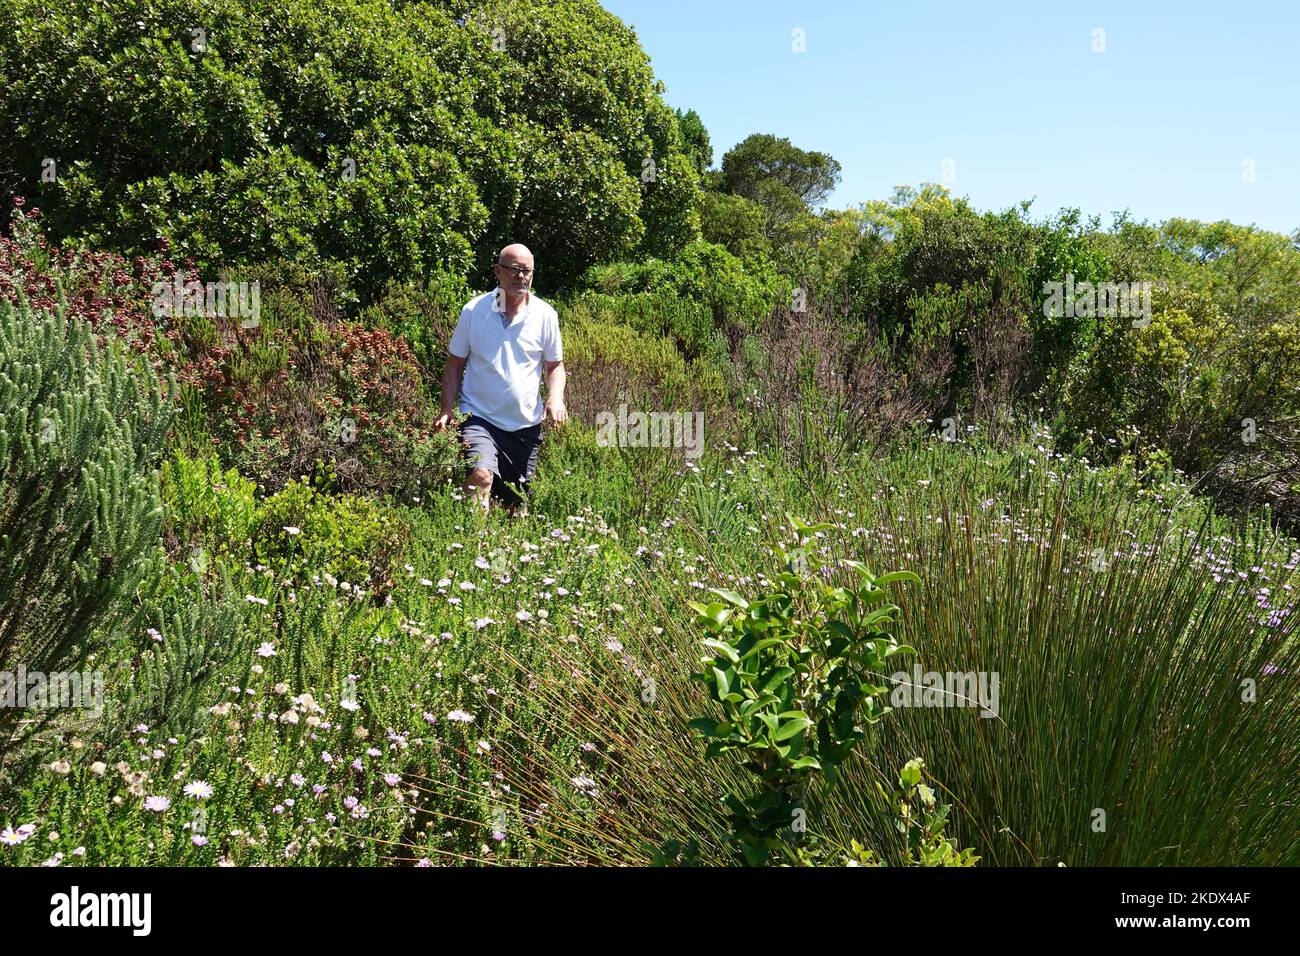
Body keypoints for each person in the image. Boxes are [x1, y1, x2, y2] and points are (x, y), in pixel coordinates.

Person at [434, 243, 567, 516]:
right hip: (479, 417)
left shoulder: (545, 315)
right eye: (515, 270)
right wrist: (447, 409)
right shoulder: (474, 311)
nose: (521, 276)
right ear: (498, 271)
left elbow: (555, 366)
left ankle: (504, 555)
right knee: (481, 476)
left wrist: (555, 398)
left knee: (515, 507)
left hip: (525, 426)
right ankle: (473, 549)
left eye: (527, 271)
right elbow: (454, 365)